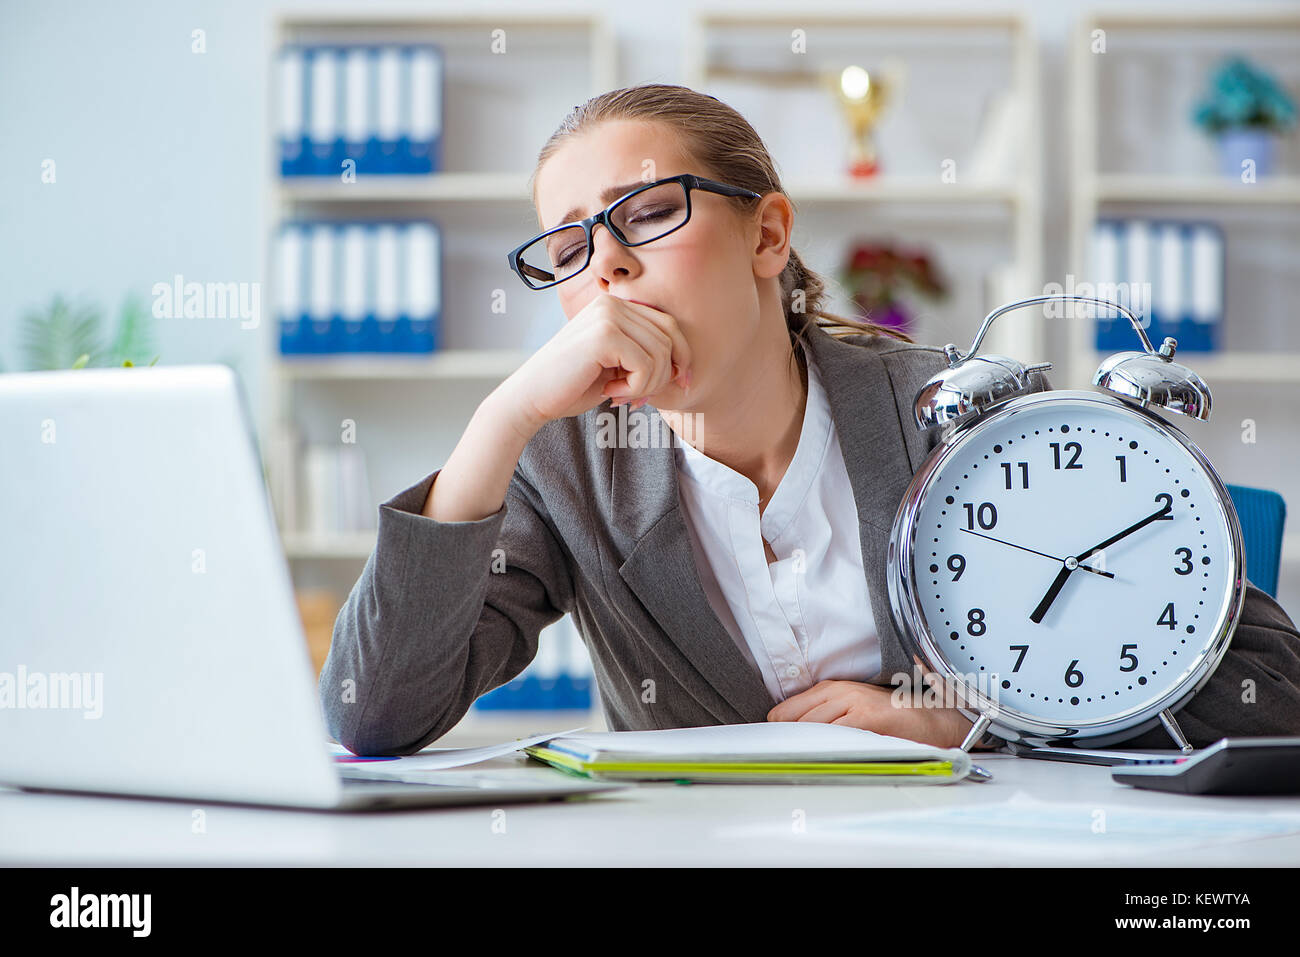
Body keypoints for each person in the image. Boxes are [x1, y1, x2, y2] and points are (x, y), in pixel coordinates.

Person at [320, 83, 1300, 757]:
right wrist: (500, 417)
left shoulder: (970, 417)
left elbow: (1271, 693)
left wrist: (968, 717)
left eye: (647, 212)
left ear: (768, 232)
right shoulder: (562, 464)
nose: (606, 264)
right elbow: (371, 716)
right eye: (568, 248)